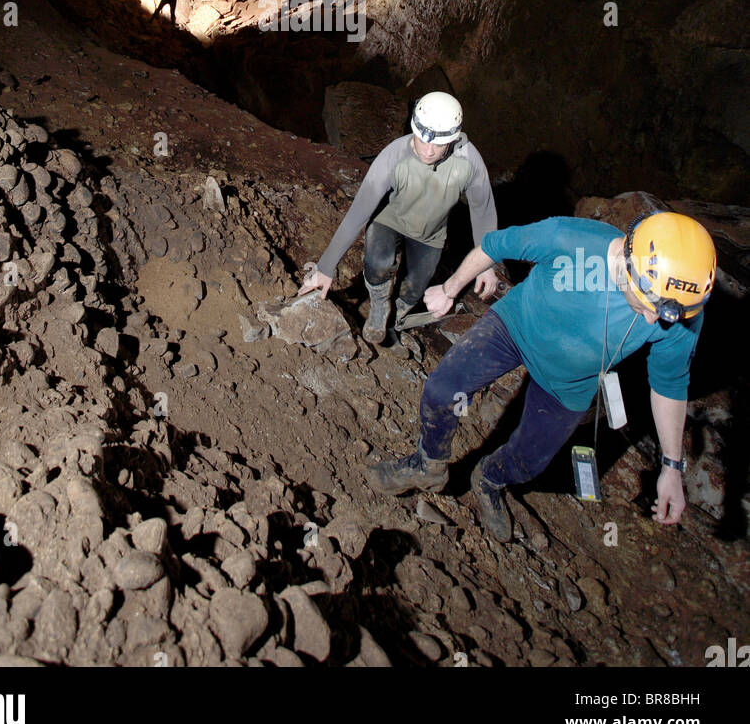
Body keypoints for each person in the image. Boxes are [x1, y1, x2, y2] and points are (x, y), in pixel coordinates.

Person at [367, 211, 717, 543]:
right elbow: (494, 245)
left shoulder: (679, 312)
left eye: (663, 314)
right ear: (628, 264)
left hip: (571, 380)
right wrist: (450, 289)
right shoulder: (568, 238)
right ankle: (427, 464)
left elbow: (670, 384)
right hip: (515, 328)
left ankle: (489, 479)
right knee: (443, 391)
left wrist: (672, 467)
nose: (654, 322)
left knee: (529, 462)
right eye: (647, 305)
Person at [299, 92, 498, 346]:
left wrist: (487, 263)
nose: (428, 151)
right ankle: (379, 305)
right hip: (391, 219)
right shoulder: (394, 155)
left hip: (431, 233)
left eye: (438, 145)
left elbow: (483, 211)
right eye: (422, 140)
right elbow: (359, 212)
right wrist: (326, 267)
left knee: (414, 289)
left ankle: (396, 319)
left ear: (453, 139)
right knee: (378, 262)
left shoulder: (469, 161)